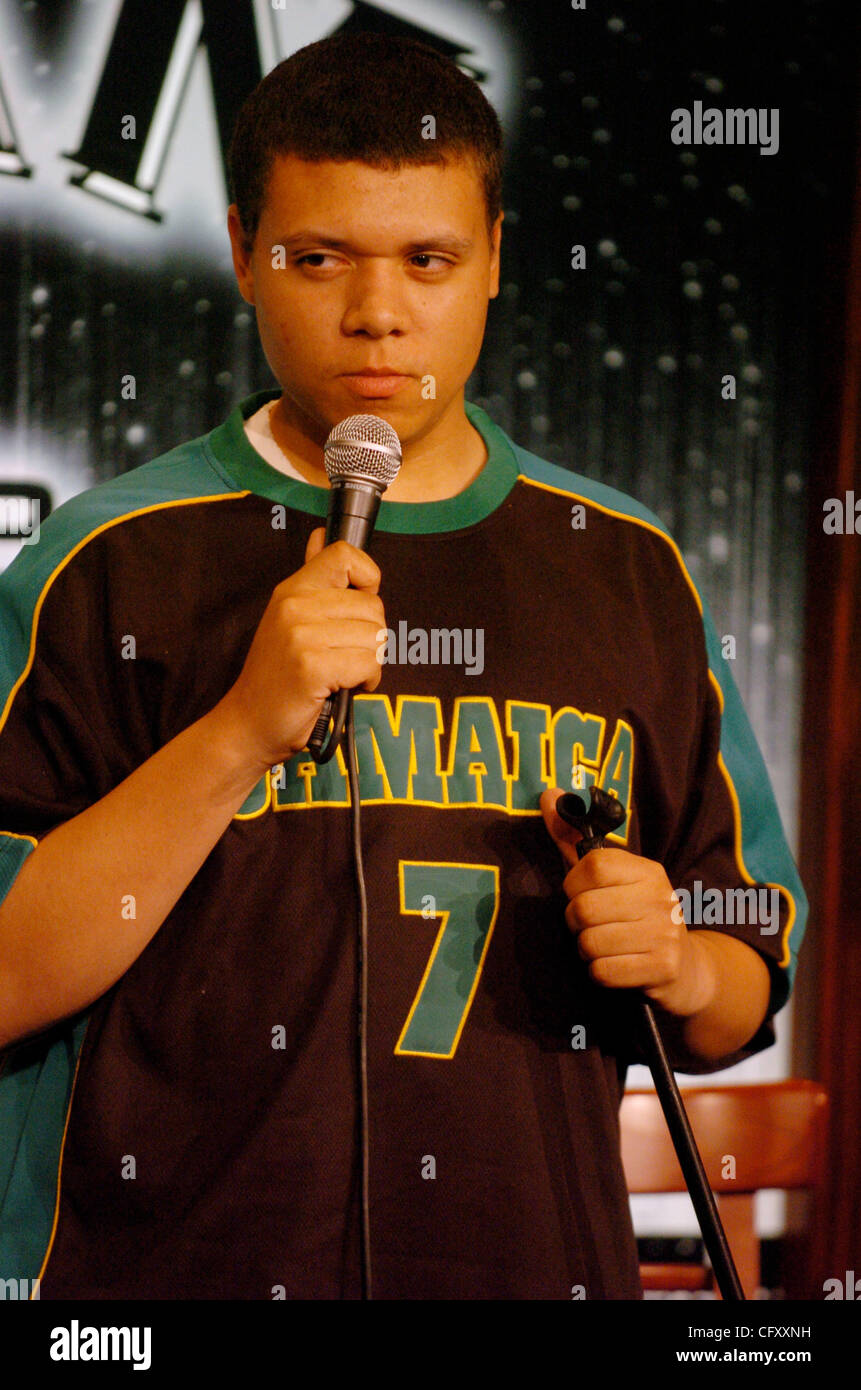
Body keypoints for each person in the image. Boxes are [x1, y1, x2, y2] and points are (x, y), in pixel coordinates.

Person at [0, 33, 806, 1300]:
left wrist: (687, 958)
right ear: (242, 255)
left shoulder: (625, 565)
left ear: (495, 259)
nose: (376, 311)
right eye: (317, 258)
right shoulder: (101, 560)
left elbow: (742, 960)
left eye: (427, 259)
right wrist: (235, 734)